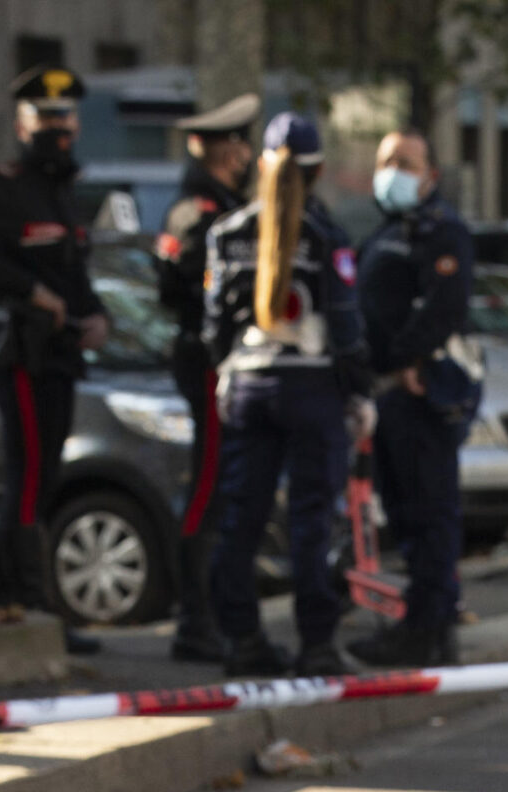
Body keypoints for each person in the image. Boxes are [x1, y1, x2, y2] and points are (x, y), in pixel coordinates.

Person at [201, 112, 372, 678]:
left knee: (242, 517)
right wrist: (360, 393)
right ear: (318, 170)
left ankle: (242, 639)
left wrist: (229, 369)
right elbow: (346, 329)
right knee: (310, 520)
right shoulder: (326, 238)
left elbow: (213, 328)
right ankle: (316, 643)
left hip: (248, 387)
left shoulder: (227, 233)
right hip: (311, 388)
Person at [0, 66, 113, 613]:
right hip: (23, 353)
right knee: (27, 479)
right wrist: (33, 293)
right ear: (23, 126)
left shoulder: (62, 191)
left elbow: (74, 272)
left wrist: (96, 316)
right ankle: (26, 601)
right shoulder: (6, 186)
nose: (58, 128)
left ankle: (17, 599)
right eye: (46, 119)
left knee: (44, 479)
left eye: (65, 117)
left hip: (62, 355)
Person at [350, 129, 475, 669]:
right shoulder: (383, 234)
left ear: (431, 176)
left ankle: (429, 629)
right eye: (386, 161)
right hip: (387, 393)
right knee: (404, 513)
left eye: (406, 163)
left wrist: (406, 358)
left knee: (430, 513)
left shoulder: (441, 231)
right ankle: (426, 623)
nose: (393, 172)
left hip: (421, 391)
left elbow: (445, 307)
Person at [156, 92, 260, 663]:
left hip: (211, 360)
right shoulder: (204, 212)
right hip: (208, 362)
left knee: (218, 489)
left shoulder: (207, 205)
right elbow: (184, 287)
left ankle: (207, 614)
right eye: (242, 145)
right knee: (207, 489)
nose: (247, 157)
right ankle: (196, 620)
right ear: (227, 150)